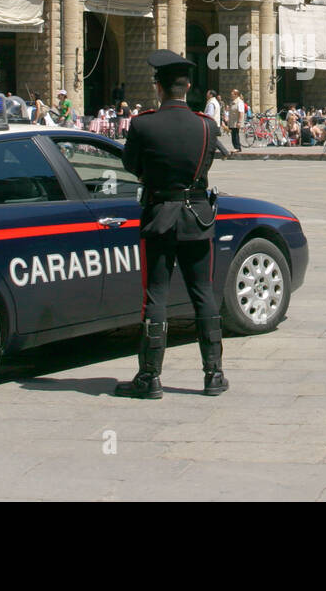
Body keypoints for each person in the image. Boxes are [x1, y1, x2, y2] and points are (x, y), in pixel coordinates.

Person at [116, 50, 228, 400]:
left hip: (159, 216)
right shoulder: (205, 125)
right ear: (188, 86)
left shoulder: (143, 124)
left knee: (156, 296)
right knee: (203, 294)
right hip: (197, 217)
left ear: (158, 87)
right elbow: (208, 164)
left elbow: (132, 165)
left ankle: (150, 377)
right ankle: (213, 375)